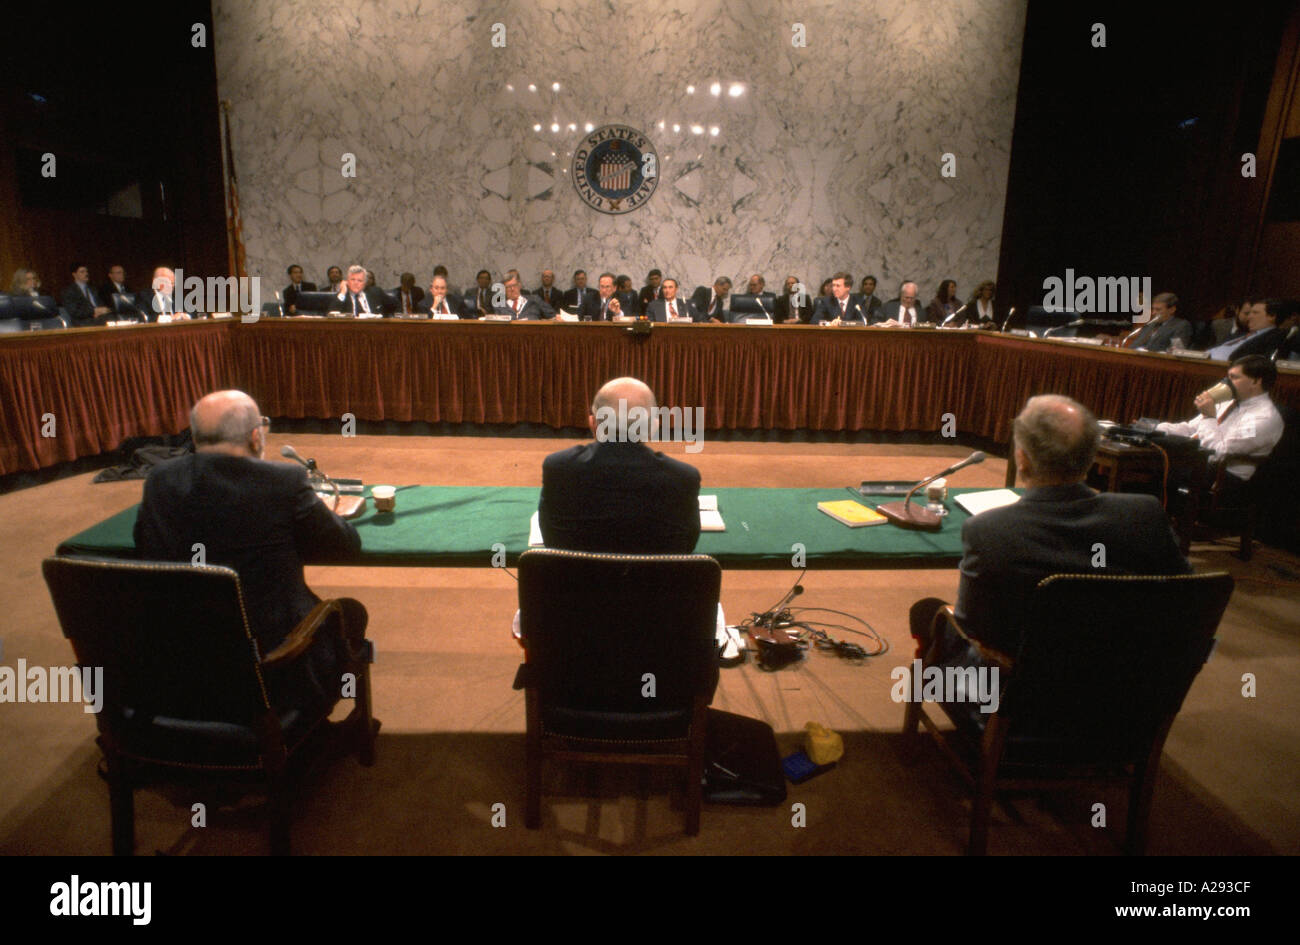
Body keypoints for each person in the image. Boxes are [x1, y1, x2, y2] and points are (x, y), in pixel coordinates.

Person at [910, 394, 1190, 665]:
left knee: (927, 612)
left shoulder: (988, 530)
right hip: (1131, 693)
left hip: (1014, 702)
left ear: (1022, 459)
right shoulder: (1145, 514)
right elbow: (1190, 600)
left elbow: (975, 630)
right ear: (1092, 458)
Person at [133, 390, 366, 711]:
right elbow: (345, 547)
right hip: (270, 661)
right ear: (256, 435)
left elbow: (142, 542)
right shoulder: (284, 480)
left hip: (179, 655)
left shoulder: (159, 480)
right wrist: (320, 513)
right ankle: (305, 718)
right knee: (350, 612)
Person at [538, 376, 700, 554]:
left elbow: (551, 541)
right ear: (654, 427)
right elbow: (686, 547)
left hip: (574, 581)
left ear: (593, 423)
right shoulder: (684, 478)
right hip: (655, 582)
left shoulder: (558, 468)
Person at [1155, 354, 1283, 492]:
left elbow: (1218, 453)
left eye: (1234, 377)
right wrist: (1156, 429)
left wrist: (1209, 417)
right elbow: (1191, 429)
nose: (1226, 382)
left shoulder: (1263, 418)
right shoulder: (1227, 402)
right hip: (1198, 464)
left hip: (1224, 476)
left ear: (1256, 381)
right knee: (1152, 458)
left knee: (1155, 469)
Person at [1205, 299, 1286, 360]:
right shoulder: (1240, 333)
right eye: (1249, 313)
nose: (1249, 317)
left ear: (1271, 316)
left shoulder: (1274, 337)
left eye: (1255, 313)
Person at [1123, 292, 1191, 352]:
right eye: (1153, 309)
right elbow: (1133, 346)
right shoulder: (1150, 325)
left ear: (1172, 310)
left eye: (1158, 310)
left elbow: (1176, 351)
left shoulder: (1181, 326)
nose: (1153, 313)